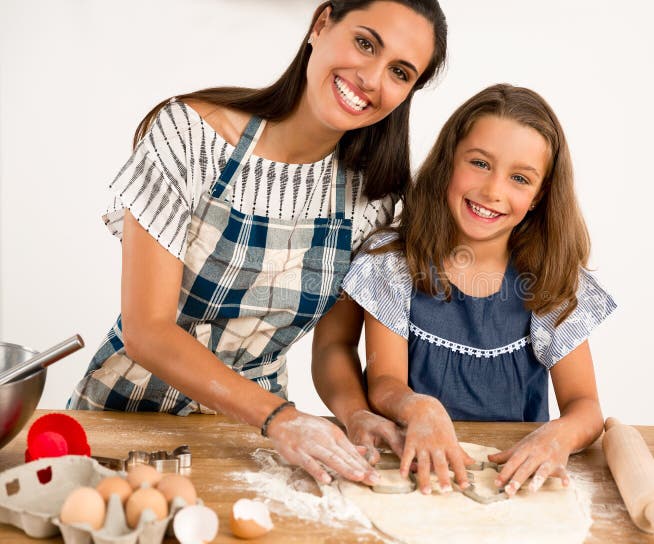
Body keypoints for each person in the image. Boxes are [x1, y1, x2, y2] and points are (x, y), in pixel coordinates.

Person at [68, 0, 447, 486]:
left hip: (253, 451)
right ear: (321, 24)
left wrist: (354, 414)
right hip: (121, 425)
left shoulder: (371, 197)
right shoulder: (190, 135)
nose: (372, 78)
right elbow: (148, 330)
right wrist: (281, 418)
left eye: (399, 71)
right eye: (365, 43)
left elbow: (334, 344)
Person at [341, 84, 617, 496]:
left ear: (539, 196)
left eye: (519, 178)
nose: (493, 191)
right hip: (413, 474)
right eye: (480, 163)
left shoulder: (550, 280)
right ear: (450, 159)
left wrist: (559, 435)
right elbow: (384, 382)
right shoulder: (392, 263)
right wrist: (418, 405)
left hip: (511, 484)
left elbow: (586, 407)